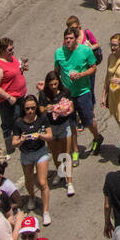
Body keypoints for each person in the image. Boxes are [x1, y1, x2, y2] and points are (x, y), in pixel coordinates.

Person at [54, 25, 101, 157]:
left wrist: (81, 75)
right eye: (66, 38)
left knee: (89, 121)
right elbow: (56, 71)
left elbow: (93, 68)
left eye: (70, 38)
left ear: (76, 39)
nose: (68, 41)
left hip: (83, 91)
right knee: (71, 124)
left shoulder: (85, 51)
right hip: (67, 94)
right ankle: (75, 151)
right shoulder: (59, 53)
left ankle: (97, 137)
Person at [13, 96, 54, 223]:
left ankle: (45, 211)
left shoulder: (42, 119)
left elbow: (50, 136)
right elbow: (14, 143)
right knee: (29, 179)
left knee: (42, 182)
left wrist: (40, 135)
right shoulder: (19, 123)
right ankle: (31, 196)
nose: (30, 111)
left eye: (33, 108)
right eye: (27, 109)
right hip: (26, 154)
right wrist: (21, 140)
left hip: (40, 152)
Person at [37, 71, 77, 199]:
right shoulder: (43, 95)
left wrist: (65, 108)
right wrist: (48, 108)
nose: (53, 87)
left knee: (66, 154)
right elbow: (41, 109)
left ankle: (69, 182)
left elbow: (72, 106)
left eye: (55, 84)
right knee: (55, 153)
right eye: (51, 85)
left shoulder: (65, 92)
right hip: (51, 127)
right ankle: (60, 172)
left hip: (64, 126)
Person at [0, 37, 27, 151]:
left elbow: (15, 72)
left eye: (12, 49)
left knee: (19, 118)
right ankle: (5, 147)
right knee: (8, 124)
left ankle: (20, 139)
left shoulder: (12, 58)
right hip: (5, 101)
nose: (12, 51)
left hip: (19, 96)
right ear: (2, 51)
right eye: (9, 50)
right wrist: (9, 97)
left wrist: (23, 68)